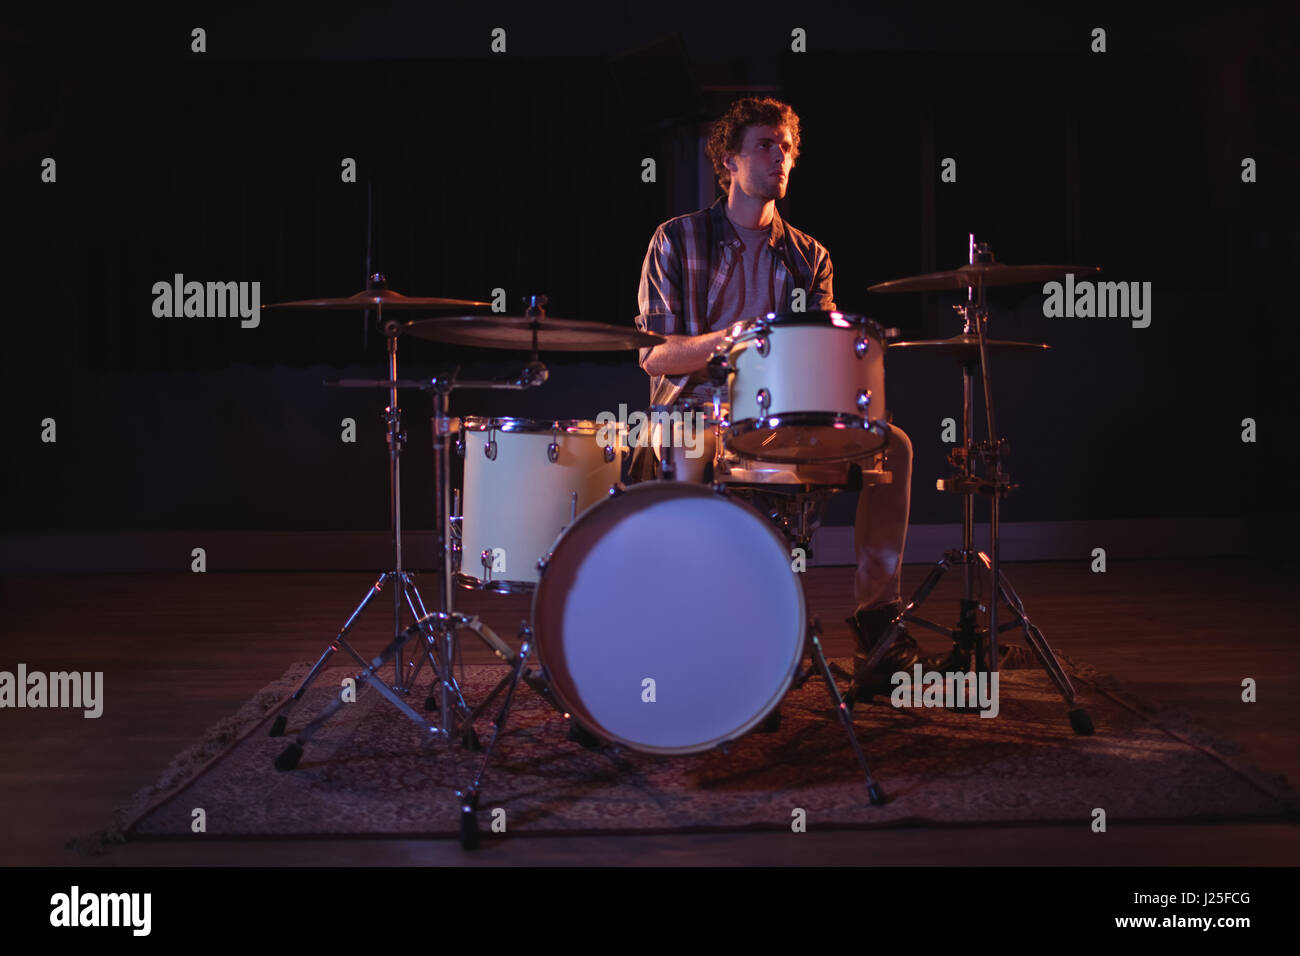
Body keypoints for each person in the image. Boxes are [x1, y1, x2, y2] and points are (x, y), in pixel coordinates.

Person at [632, 96, 932, 701]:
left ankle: (877, 622)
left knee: (892, 445)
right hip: (693, 412)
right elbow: (654, 355)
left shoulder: (809, 256)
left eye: (788, 148)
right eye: (766, 145)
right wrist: (728, 341)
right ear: (728, 159)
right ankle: (688, 631)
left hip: (773, 414)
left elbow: (816, 355)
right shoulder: (676, 240)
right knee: (692, 453)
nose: (781, 157)